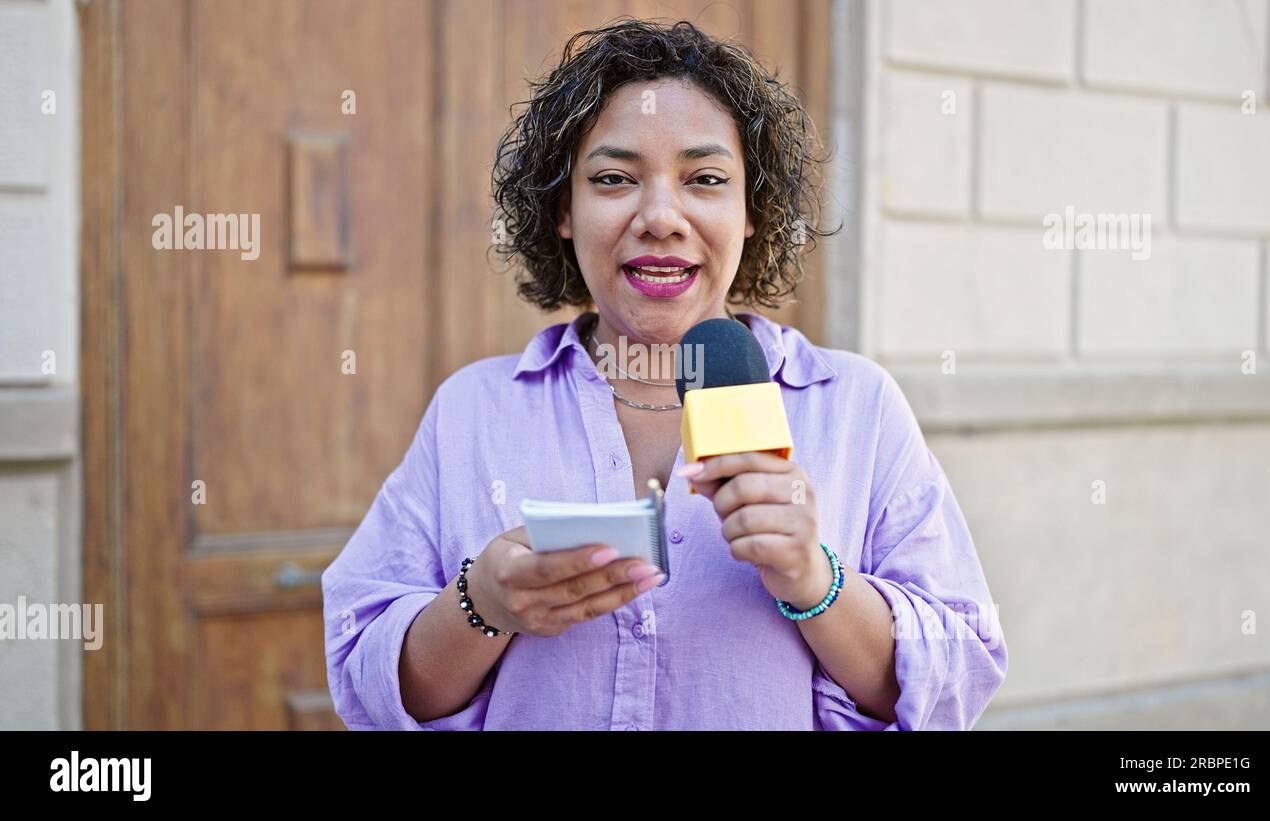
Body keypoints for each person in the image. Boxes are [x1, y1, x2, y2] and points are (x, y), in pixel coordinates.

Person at [322, 18, 1007, 730]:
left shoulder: (857, 408)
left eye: (705, 180)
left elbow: (951, 682)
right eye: (614, 179)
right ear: (563, 208)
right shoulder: (472, 410)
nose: (659, 216)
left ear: (751, 212)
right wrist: (481, 606)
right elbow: (376, 683)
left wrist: (817, 581)